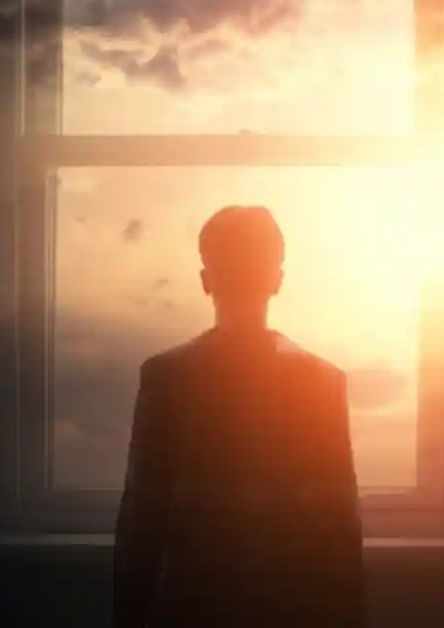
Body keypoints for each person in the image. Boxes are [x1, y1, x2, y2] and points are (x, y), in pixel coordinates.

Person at [113, 206, 366, 627]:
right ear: (277, 280)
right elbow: (338, 530)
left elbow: (143, 520)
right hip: (291, 605)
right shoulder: (320, 381)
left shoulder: (167, 376)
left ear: (206, 281)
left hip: (190, 605)